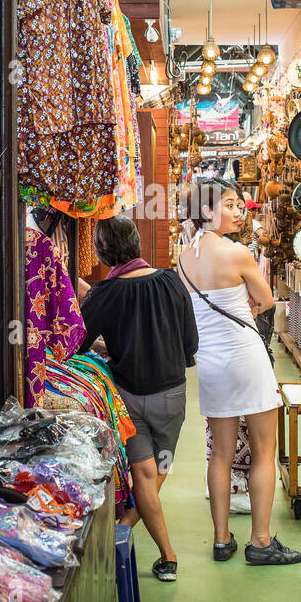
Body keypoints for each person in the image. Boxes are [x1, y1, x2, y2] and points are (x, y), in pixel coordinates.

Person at [177, 179, 301, 567]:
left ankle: (221, 539)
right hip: (246, 359)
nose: (237, 211)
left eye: (237, 204)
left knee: (221, 454)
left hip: (211, 365)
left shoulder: (183, 257)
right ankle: (261, 542)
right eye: (229, 205)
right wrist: (247, 304)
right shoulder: (236, 253)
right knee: (264, 452)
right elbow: (265, 300)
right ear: (207, 212)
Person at [78, 214, 198, 582]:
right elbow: (190, 345)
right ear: (137, 244)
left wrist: (107, 344)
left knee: (144, 477)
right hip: (172, 396)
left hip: (128, 397)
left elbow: (75, 342)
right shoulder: (171, 282)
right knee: (157, 473)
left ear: (101, 252)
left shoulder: (104, 295)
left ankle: (166, 555)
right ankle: (138, 540)